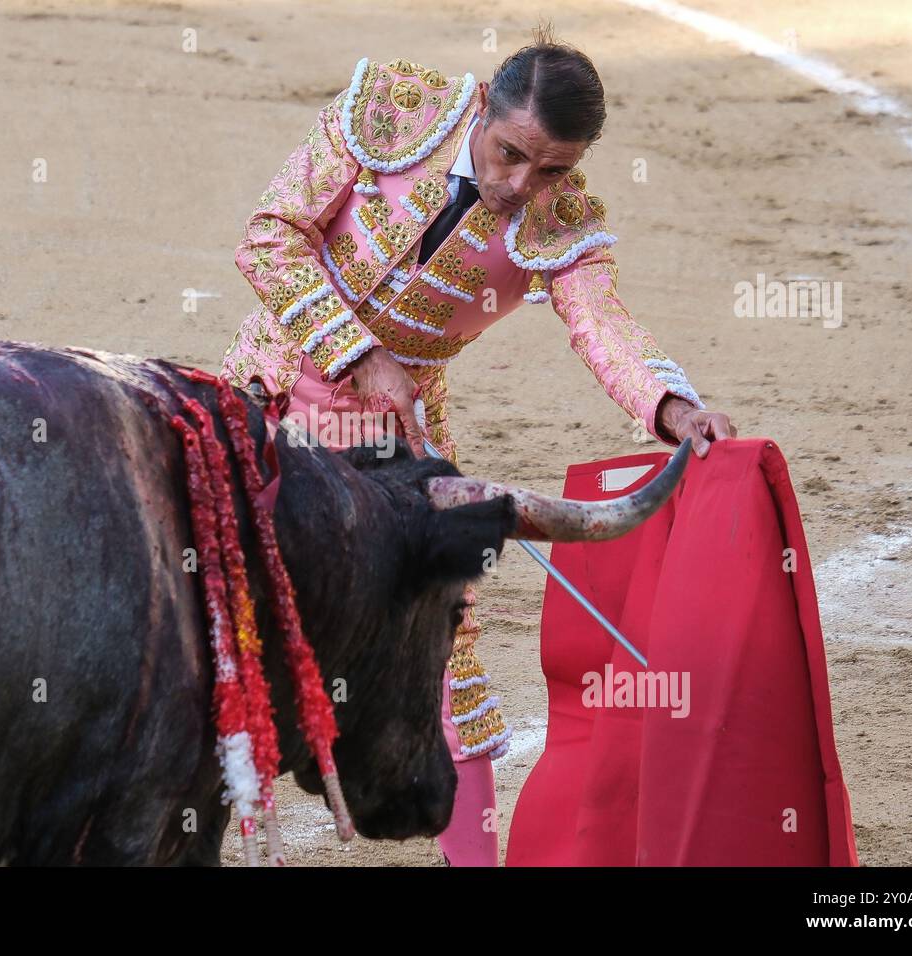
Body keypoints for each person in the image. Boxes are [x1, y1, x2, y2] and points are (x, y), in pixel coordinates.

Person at [220, 31, 737, 865]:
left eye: (552, 171)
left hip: (400, 444)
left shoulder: (562, 223)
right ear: (482, 112)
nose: (517, 187)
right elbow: (271, 237)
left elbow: (601, 324)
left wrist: (671, 405)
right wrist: (362, 355)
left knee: (442, 641)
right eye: (509, 155)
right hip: (264, 400)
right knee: (224, 614)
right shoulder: (394, 109)